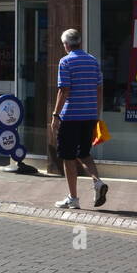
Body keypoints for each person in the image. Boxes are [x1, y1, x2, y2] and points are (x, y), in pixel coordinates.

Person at [50, 28, 109, 210]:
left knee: (68, 157)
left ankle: (73, 198)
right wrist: (96, 113)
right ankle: (97, 182)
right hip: (89, 115)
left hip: (71, 116)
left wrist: (56, 115)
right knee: (84, 153)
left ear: (66, 45)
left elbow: (64, 90)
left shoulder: (65, 61)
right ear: (79, 43)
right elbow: (99, 89)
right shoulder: (93, 61)